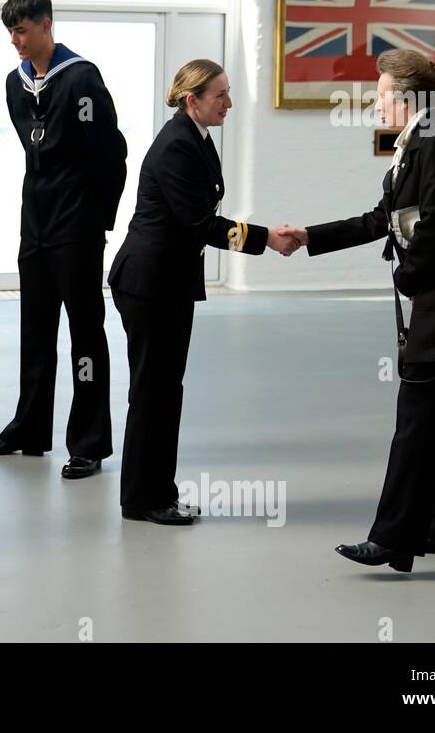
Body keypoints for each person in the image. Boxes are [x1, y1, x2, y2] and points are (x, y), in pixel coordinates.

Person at [276, 49, 435, 572]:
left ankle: (394, 539)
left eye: (381, 95)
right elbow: (381, 219)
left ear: (410, 99)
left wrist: (408, 280)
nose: (375, 104)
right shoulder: (421, 144)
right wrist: (310, 237)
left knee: (417, 423)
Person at [108, 59, 297, 525]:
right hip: (148, 284)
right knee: (153, 392)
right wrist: (265, 238)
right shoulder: (177, 146)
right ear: (192, 100)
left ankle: (159, 492)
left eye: (229, 93)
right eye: (221, 95)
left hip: (168, 282)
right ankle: (141, 499)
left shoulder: (196, 138)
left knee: (166, 390)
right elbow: (201, 223)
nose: (229, 103)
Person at [0, 0, 126, 480]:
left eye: (22, 30)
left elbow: (111, 154)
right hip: (34, 223)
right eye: (10, 32)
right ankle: (30, 428)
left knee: (85, 334)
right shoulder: (15, 84)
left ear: (45, 24)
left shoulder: (81, 79)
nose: (15, 41)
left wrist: (98, 219)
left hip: (76, 226)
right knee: (34, 332)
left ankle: (89, 442)